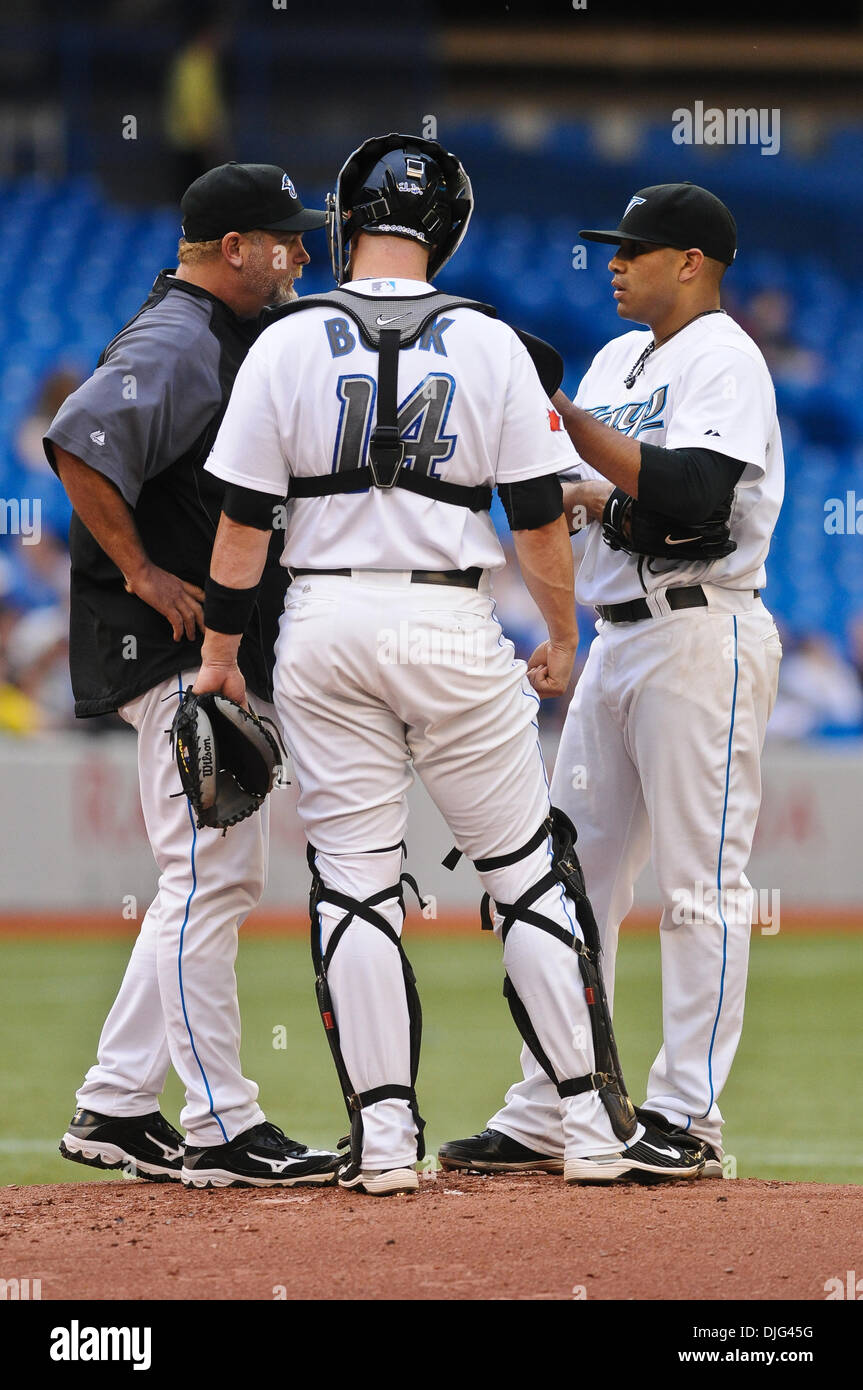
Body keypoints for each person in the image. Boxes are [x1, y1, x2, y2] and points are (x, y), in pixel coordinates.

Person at [194, 135, 704, 1196]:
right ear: (446, 227)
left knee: (354, 888)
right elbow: (534, 521)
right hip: (449, 620)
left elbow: (242, 522)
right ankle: (587, 1122)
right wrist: (561, 639)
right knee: (524, 873)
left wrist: (216, 659)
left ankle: (383, 1142)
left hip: (324, 621)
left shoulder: (284, 340)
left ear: (346, 220)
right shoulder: (487, 343)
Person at [439, 182, 784, 1180]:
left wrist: (567, 428)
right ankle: (555, 1098)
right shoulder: (614, 359)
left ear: (692, 261)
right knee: (567, 880)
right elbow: (581, 489)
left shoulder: (724, 357)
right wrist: (586, 471)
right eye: (612, 247)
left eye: (633, 249)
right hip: (616, 635)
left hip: (698, 632)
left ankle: (685, 1114)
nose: (613, 263)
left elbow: (692, 501)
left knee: (697, 886)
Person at [45, 163, 340, 1189]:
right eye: (285, 238)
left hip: (189, 650)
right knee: (208, 876)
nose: (301, 253)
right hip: (169, 648)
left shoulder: (218, 334)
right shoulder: (180, 337)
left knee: (209, 876)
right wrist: (140, 569)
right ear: (232, 249)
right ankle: (221, 1122)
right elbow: (80, 442)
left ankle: (118, 1104)